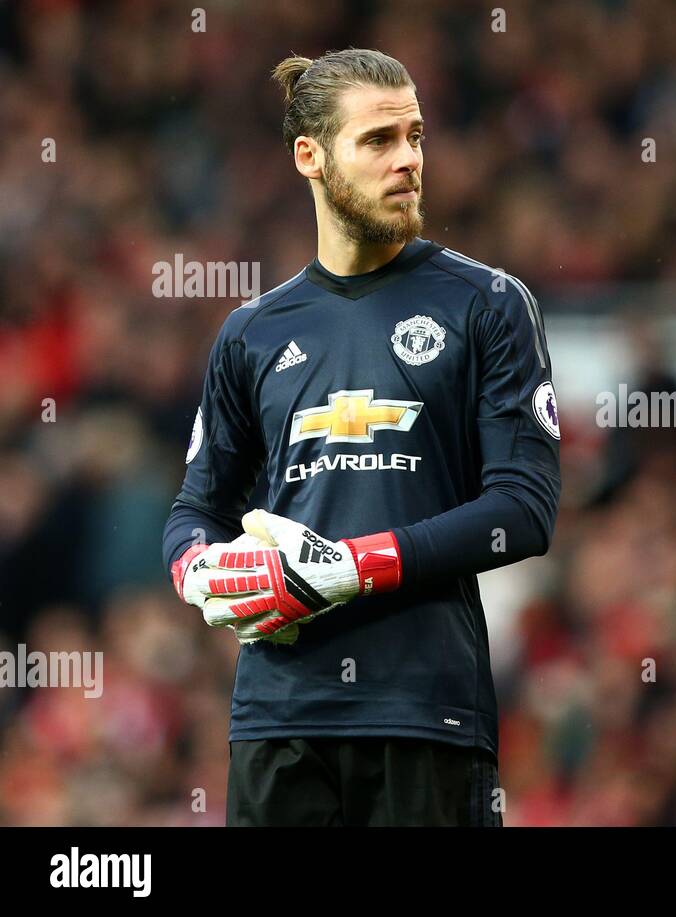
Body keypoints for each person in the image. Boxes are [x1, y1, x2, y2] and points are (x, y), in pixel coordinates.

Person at [161, 48, 561, 826]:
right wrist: (199, 573)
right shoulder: (250, 333)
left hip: (426, 714)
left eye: (415, 136)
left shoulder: (487, 305)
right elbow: (193, 509)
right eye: (379, 140)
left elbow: (524, 508)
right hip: (280, 719)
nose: (408, 160)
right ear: (309, 156)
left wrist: (349, 567)